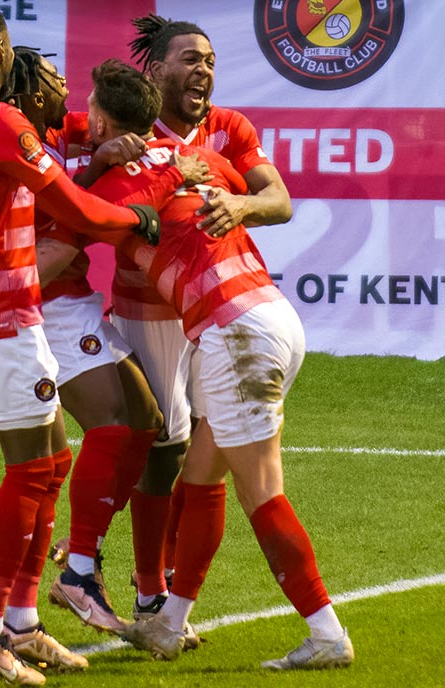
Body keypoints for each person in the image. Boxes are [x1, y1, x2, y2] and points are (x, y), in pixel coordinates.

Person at [0, 3, 162, 684]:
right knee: (30, 468)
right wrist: (134, 216)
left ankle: (22, 618)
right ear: (1, 47)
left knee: (53, 460)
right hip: (0, 312)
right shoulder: (0, 122)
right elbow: (75, 211)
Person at [78, 58, 353, 670]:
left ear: (101, 118)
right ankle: (168, 623)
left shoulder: (116, 186)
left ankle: (326, 631)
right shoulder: (209, 162)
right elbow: (267, 197)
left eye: (90, 112)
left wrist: (99, 165)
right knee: (200, 477)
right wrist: (199, 181)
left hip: (234, 333)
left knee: (262, 492)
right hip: (270, 315)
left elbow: (83, 216)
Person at [3, 48, 207, 637]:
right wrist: (112, 168)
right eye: (52, 78)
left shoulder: (64, 128)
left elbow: (91, 157)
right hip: (47, 306)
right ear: (30, 92)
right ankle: (80, 571)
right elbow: (75, 216)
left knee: (148, 421)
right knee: (114, 425)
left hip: (74, 301)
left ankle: (84, 544)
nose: (67, 83)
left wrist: (104, 153)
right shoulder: (19, 143)